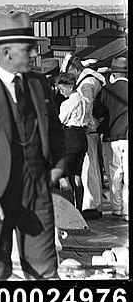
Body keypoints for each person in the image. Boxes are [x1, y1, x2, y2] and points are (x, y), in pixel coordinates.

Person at [0, 11, 67, 280]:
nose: (33, 54)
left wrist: (59, 166)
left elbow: (54, 129)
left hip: (36, 191)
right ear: (6, 52)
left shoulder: (39, 84)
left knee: (45, 270)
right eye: (27, 49)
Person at [94, 57, 127, 220]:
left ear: (113, 72)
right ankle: (128, 210)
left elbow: (97, 112)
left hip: (113, 137)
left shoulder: (107, 91)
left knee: (115, 173)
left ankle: (117, 208)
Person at [54, 72, 91, 210]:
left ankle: (69, 210)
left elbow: (61, 120)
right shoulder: (85, 101)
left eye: (62, 89)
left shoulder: (68, 102)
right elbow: (90, 121)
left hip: (70, 137)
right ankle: (79, 209)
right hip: (82, 138)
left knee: (65, 175)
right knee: (77, 174)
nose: (61, 92)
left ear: (70, 87)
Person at [76, 58, 106, 220]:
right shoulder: (95, 80)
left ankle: (91, 204)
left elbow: (87, 103)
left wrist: (86, 121)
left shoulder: (87, 83)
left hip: (88, 129)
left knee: (89, 167)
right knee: (92, 166)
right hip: (93, 130)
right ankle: (95, 202)